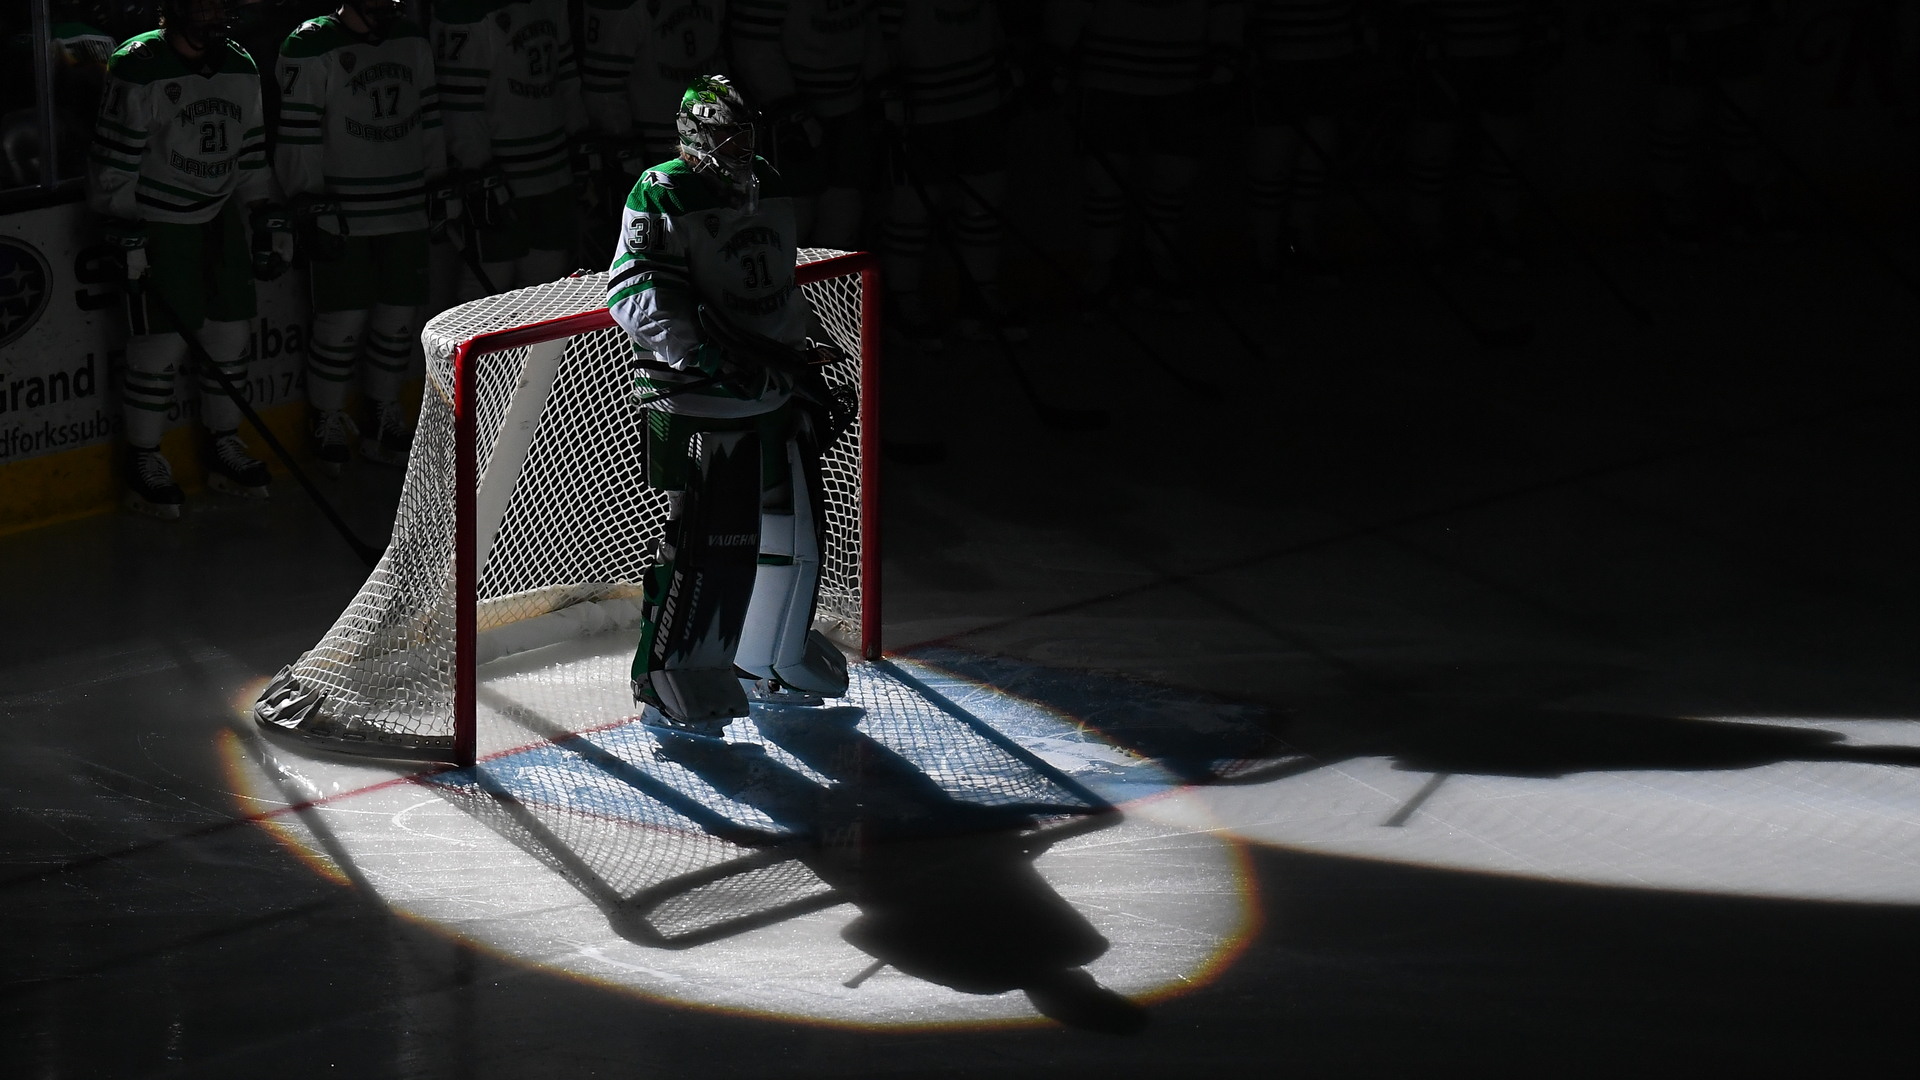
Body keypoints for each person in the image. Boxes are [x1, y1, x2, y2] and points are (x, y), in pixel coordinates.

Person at [607, 74, 850, 733]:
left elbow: (780, 286)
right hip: (693, 400)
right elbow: (633, 295)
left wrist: (810, 349)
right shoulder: (660, 191)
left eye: (747, 134)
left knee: (789, 530)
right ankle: (667, 676)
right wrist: (704, 357)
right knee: (702, 541)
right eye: (727, 135)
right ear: (695, 135)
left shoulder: (767, 183)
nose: (741, 147)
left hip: (770, 388)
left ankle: (768, 656)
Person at [89, 0, 288, 518]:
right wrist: (123, 228)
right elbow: (113, 162)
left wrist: (262, 212)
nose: (214, 14)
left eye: (221, 3)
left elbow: (249, 156)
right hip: (160, 223)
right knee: (159, 346)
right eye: (201, 3)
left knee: (230, 337)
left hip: (219, 219)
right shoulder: (139, 65)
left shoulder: (241, 65)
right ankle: (144, 457)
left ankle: (224, 444)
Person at [276, 0, 446, 471]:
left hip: (405, 202)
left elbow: (428, 115)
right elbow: (298, 133)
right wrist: (306, 199)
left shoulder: (411, 38)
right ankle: (326, 417)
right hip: (344, 209)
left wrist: (437, 182)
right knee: (342, 321)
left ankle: (382, 413)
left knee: (398, 318)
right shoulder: (311, 44)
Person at [1044, 0, 1243, 314]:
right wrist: (1057, 48)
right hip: (1117, 68)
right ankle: (1106, 267)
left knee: (1175, 171)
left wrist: (1226, 49)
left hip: (1171, 68)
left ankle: (1152, 260)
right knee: (1104, 174)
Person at [877, 0, 1019, 344]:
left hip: (979, 89)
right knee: (914, 204)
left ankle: (978, 293)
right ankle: (903, 299)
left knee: (985, 196)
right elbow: (879, 32)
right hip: (922, 98)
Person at [433, 0, 586, 298]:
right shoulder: (466, 12)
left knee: (547, 281)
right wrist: (477, 173)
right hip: (502, 174)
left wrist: (578, 141)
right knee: (491, 281)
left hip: (551, 167)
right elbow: (460, 108)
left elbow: (565, 75)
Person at [1397, 0, 1562, 270]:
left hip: (1501, 39)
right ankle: (1427, 231)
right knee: (1434, 143)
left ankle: (1499, 226)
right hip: (1446, 40)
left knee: (1503, 141)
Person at [729, 0, 883, 250]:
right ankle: (794, 285)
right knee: (797, 211)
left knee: (843, 206)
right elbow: (752, 47)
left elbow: (868, 23)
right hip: (793, 113)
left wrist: (878, 80)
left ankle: (830, 284)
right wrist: (785, 105)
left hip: (841, 104)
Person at [578, 0, 728, 258]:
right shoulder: (628, 9)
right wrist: (627, 153)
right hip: (655, 149)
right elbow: (602, 90)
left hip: (707, 141)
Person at [1247, 0, 1362, 286]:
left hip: (1331, 38)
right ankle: (1269, 246)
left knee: (1317, 141)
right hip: (1280, 41)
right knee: (1278, 143)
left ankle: (1294, 240)